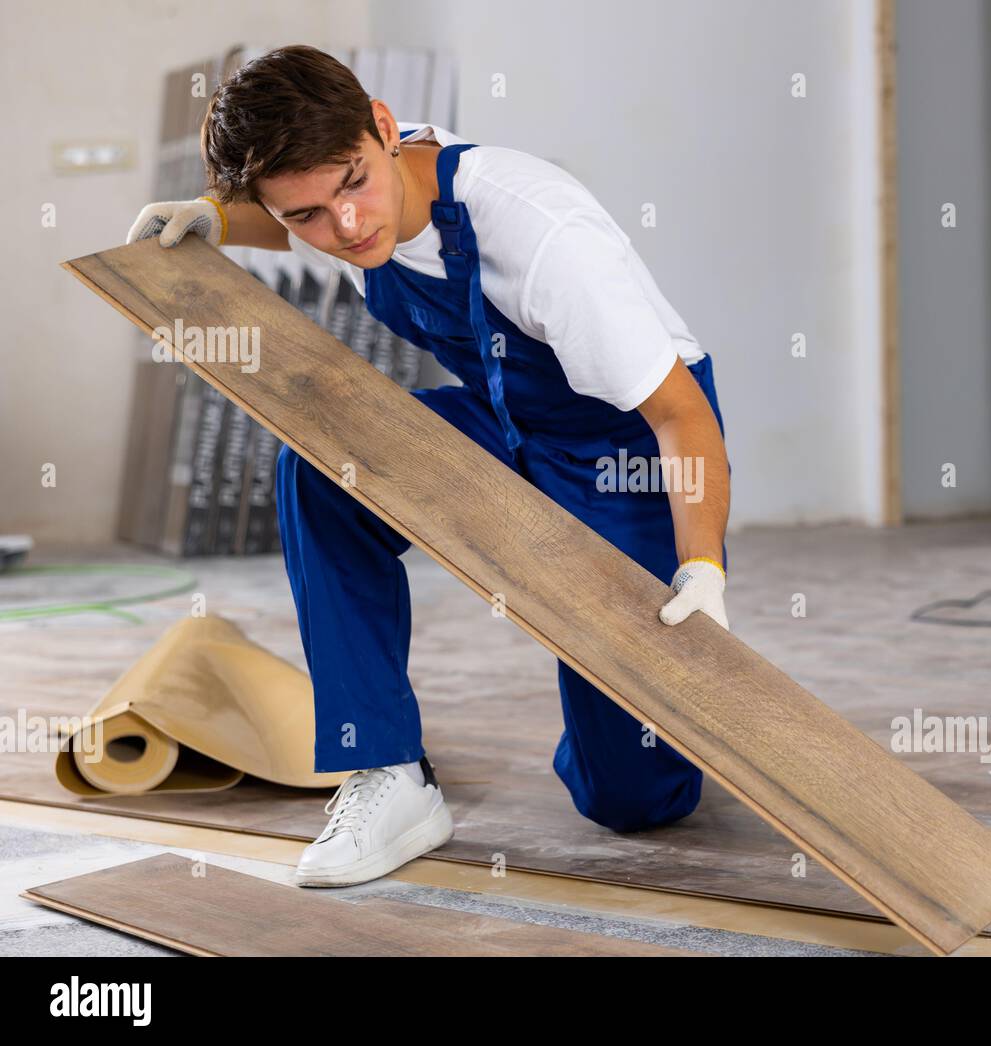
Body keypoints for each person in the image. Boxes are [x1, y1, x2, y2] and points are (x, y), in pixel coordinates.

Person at [127, 45, 731, 888]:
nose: (346, 228)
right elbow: (298, 204)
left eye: (353, 184)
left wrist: (700, 565)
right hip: (500, 420)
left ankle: (632, 713)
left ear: (383, 125)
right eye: (304, 216)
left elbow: (681, 416)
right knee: (318, 471)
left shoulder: (543, 233)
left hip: (622, 447)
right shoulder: (334, 198)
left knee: (633, 800)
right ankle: (385, 770)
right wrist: (214, 220)